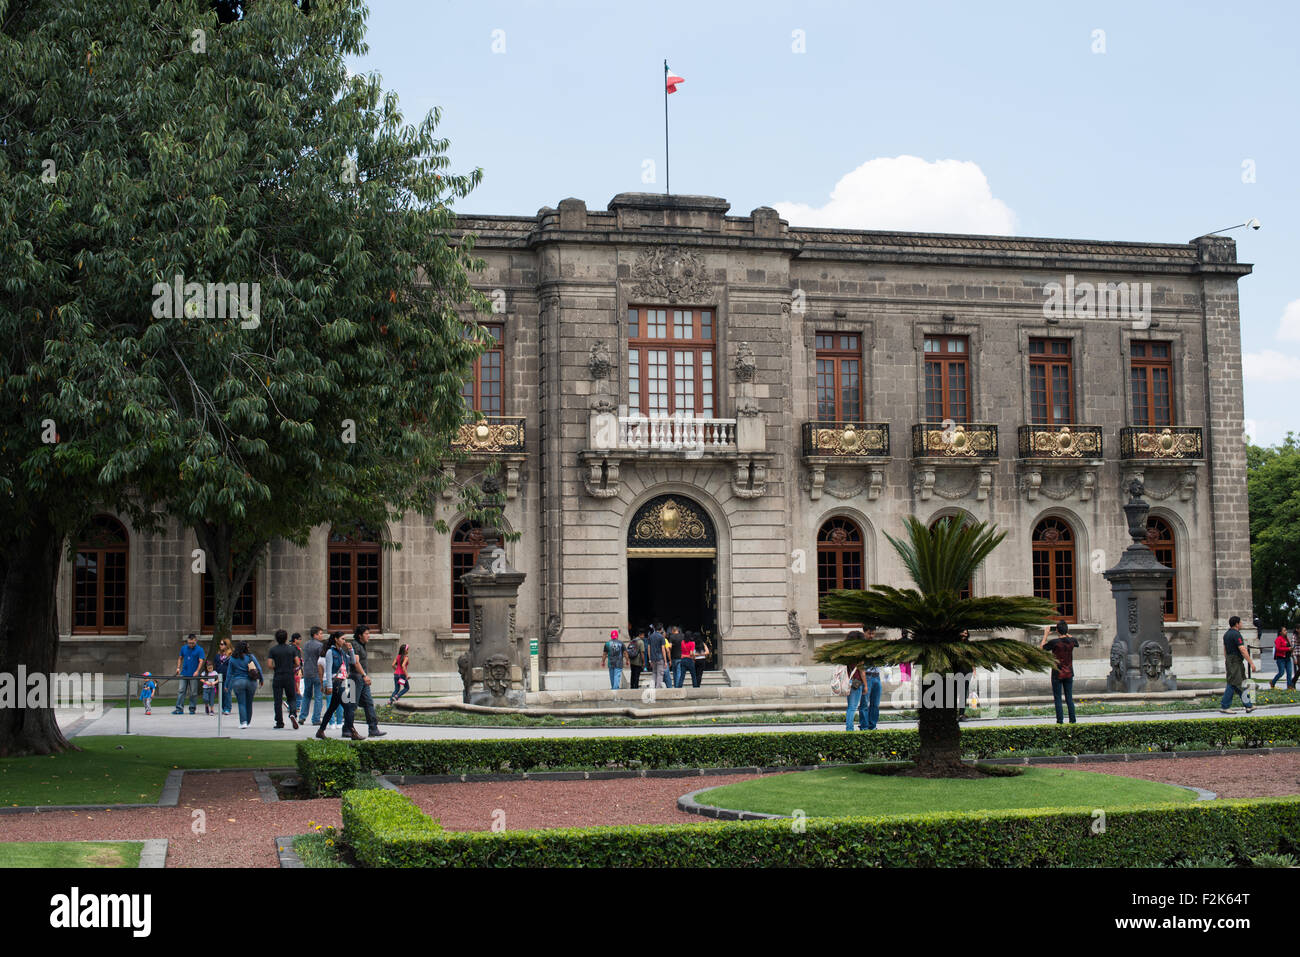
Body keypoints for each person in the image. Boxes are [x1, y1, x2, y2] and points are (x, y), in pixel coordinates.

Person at [318, 633, 363, 739]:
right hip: (337, 683)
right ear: (336, 639)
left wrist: (351, 650)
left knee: (332, 708)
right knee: (349, 708)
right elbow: (328, 670)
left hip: (344, 682)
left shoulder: (342, 652)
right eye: (342, 639)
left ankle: (321, 730)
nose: (344, 641)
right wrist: (329, 686)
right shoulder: (330, 652)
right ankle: (353, 732)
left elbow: (352, 661)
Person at [350, 626, 387, 737]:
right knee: (352, 705)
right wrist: (364, 675)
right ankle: (347, 729)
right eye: (366, 633)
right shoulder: (355, 645)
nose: (368, 635)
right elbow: (356, 662)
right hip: (356, 678)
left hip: (362, 679)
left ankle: (373, 728)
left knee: (368, 703)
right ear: (360, 635)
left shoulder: (361, 645)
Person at [1041, 620, 1079, 724]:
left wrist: (1045, 635)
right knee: (1069, 698)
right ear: (1067, 630)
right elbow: (1074, 641)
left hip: (1057, 673)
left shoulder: (1054, 642)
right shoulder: (1073, 641)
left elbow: (1042, 649)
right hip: (1069, 672)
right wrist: (1067, 634)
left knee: (1058, 698)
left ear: (1057, 630)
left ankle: (1060, 721)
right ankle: (1073, 721)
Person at [1220, 615, 1256, 713]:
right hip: (1235, 661)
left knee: (1239, 683)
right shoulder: (1236, 634)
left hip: (1230, 659)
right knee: (1233, 683)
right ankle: (1225, 706)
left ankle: (1248, 705)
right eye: (1240, 622)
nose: (1241, 624)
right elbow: (1242, 649)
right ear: (1236, 624)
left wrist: (1227, 660)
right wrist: (1251, 663)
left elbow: (1224, 649)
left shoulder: (1226, 634)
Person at [266, 628, 301, 729]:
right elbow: (297, 662)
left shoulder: (273, 650)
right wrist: (292, 666)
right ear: (286, 638)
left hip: (278, 675)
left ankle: (279, 722)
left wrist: (275, 668)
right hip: (289, 675)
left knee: (277, 700)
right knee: (291, 697)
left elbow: (269, 664)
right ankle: (293, 713)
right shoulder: (291, 649)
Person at [226, 640, 263, 729]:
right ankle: (248, 721)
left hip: (238, 681)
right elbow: (259, 668)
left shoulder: (233, 658)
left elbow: (229, 673)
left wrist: (226, 685)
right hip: (251, 682)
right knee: (249, 702)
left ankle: (243, 722)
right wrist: (261, 679)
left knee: (241, 703)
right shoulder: (250, 657)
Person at [172, 633, 206, 714]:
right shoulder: (183, 648)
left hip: (193, 674)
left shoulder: (200, 649)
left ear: (196, 641)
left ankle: (192, 708)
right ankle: (179, 709)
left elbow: (201, 661)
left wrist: (197, 671)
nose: (191, 645)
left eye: (192, 643)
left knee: (193, 692)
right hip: (184, 673)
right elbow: (180, 658)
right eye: (189, 643)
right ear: (187, 641)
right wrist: (178, 667)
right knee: (181, 690)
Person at [298, 626, 325, 725]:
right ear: (315, 635)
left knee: (307, 695)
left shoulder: (306, 644)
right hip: (317, 673)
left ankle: (302, 716)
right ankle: (316, 719)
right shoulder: (320, 646)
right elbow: (321, 660)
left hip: (307, 672)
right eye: (320, 633)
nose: (322, 635)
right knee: (318, 696)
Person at [646, 623, 668, 688]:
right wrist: (665, 661)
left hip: (653, 658)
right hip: (660, 658)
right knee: (660, 674)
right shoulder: (661, 637)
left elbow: (649, 649)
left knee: (654, 673)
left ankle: (652, 687)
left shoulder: (650, 637)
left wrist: (650, 659)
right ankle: (657, 689)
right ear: (661, 629)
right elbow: (663, 649)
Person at [216, 637, 234, 715]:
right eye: (220, 644)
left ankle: (227, 708)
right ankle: (223, 708)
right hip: (220, 676)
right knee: (221, 693)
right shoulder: (218, 655)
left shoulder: (231, 655)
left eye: (222, 644)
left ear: (227, 645)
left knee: (227, 692)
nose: (220, 646)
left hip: (228, 676)